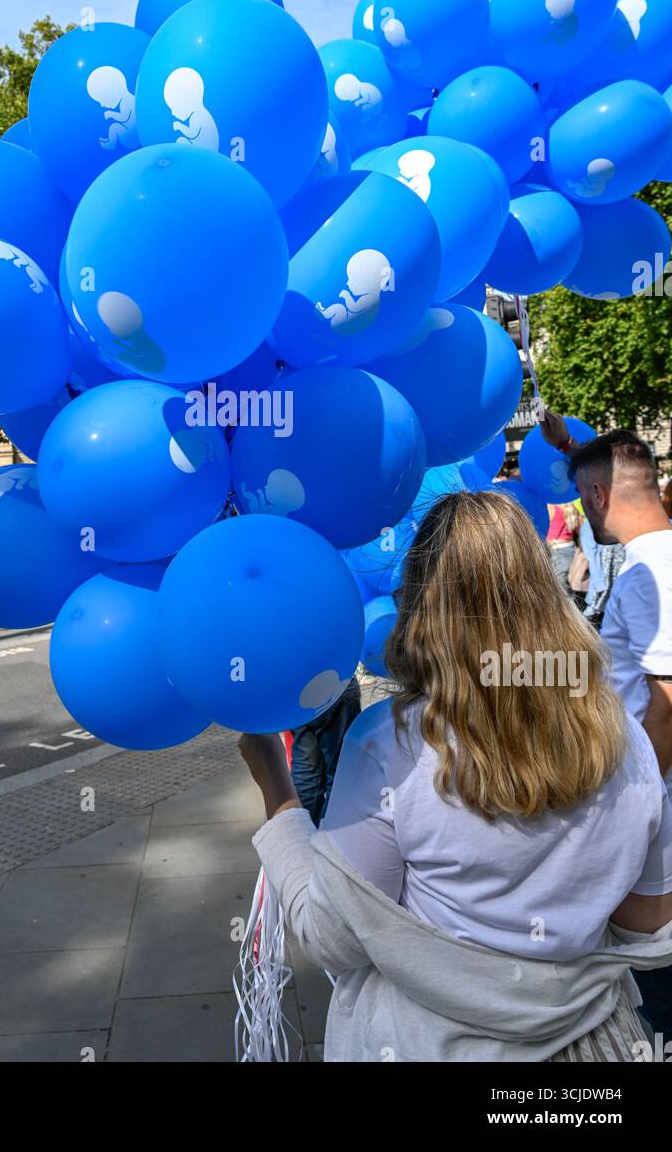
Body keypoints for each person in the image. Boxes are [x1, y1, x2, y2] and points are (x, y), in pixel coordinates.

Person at [240, 491, 672, 1062]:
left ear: (420, 603)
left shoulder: (388, 745)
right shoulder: (626, 737)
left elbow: (331, 936)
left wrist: (278, 793)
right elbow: (648, 921)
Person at [540, 416, 672, 1037]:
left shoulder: (650, 572)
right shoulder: (656, 558)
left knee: (656, 982)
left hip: (654, 810)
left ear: (596, 495)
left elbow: (669, 702)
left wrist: (633, 802)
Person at [289, 679, 361, 825]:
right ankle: (329, 836)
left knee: (306, 773)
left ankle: (305, 834)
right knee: (340, 774)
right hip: (335, 681)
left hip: (295, 686)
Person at [579, 516, 625, 628]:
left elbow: (592, 556)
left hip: (609, 588)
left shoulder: (590, 526)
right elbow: (592, 557)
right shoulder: (589, 527)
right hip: (610, 588)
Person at [546, 499, 581, 591]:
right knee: (568, 585)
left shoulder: (550, 507)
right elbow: (581, 528)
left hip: (555, 550)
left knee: (557, 587)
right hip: (571, 548)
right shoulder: (571, 508)